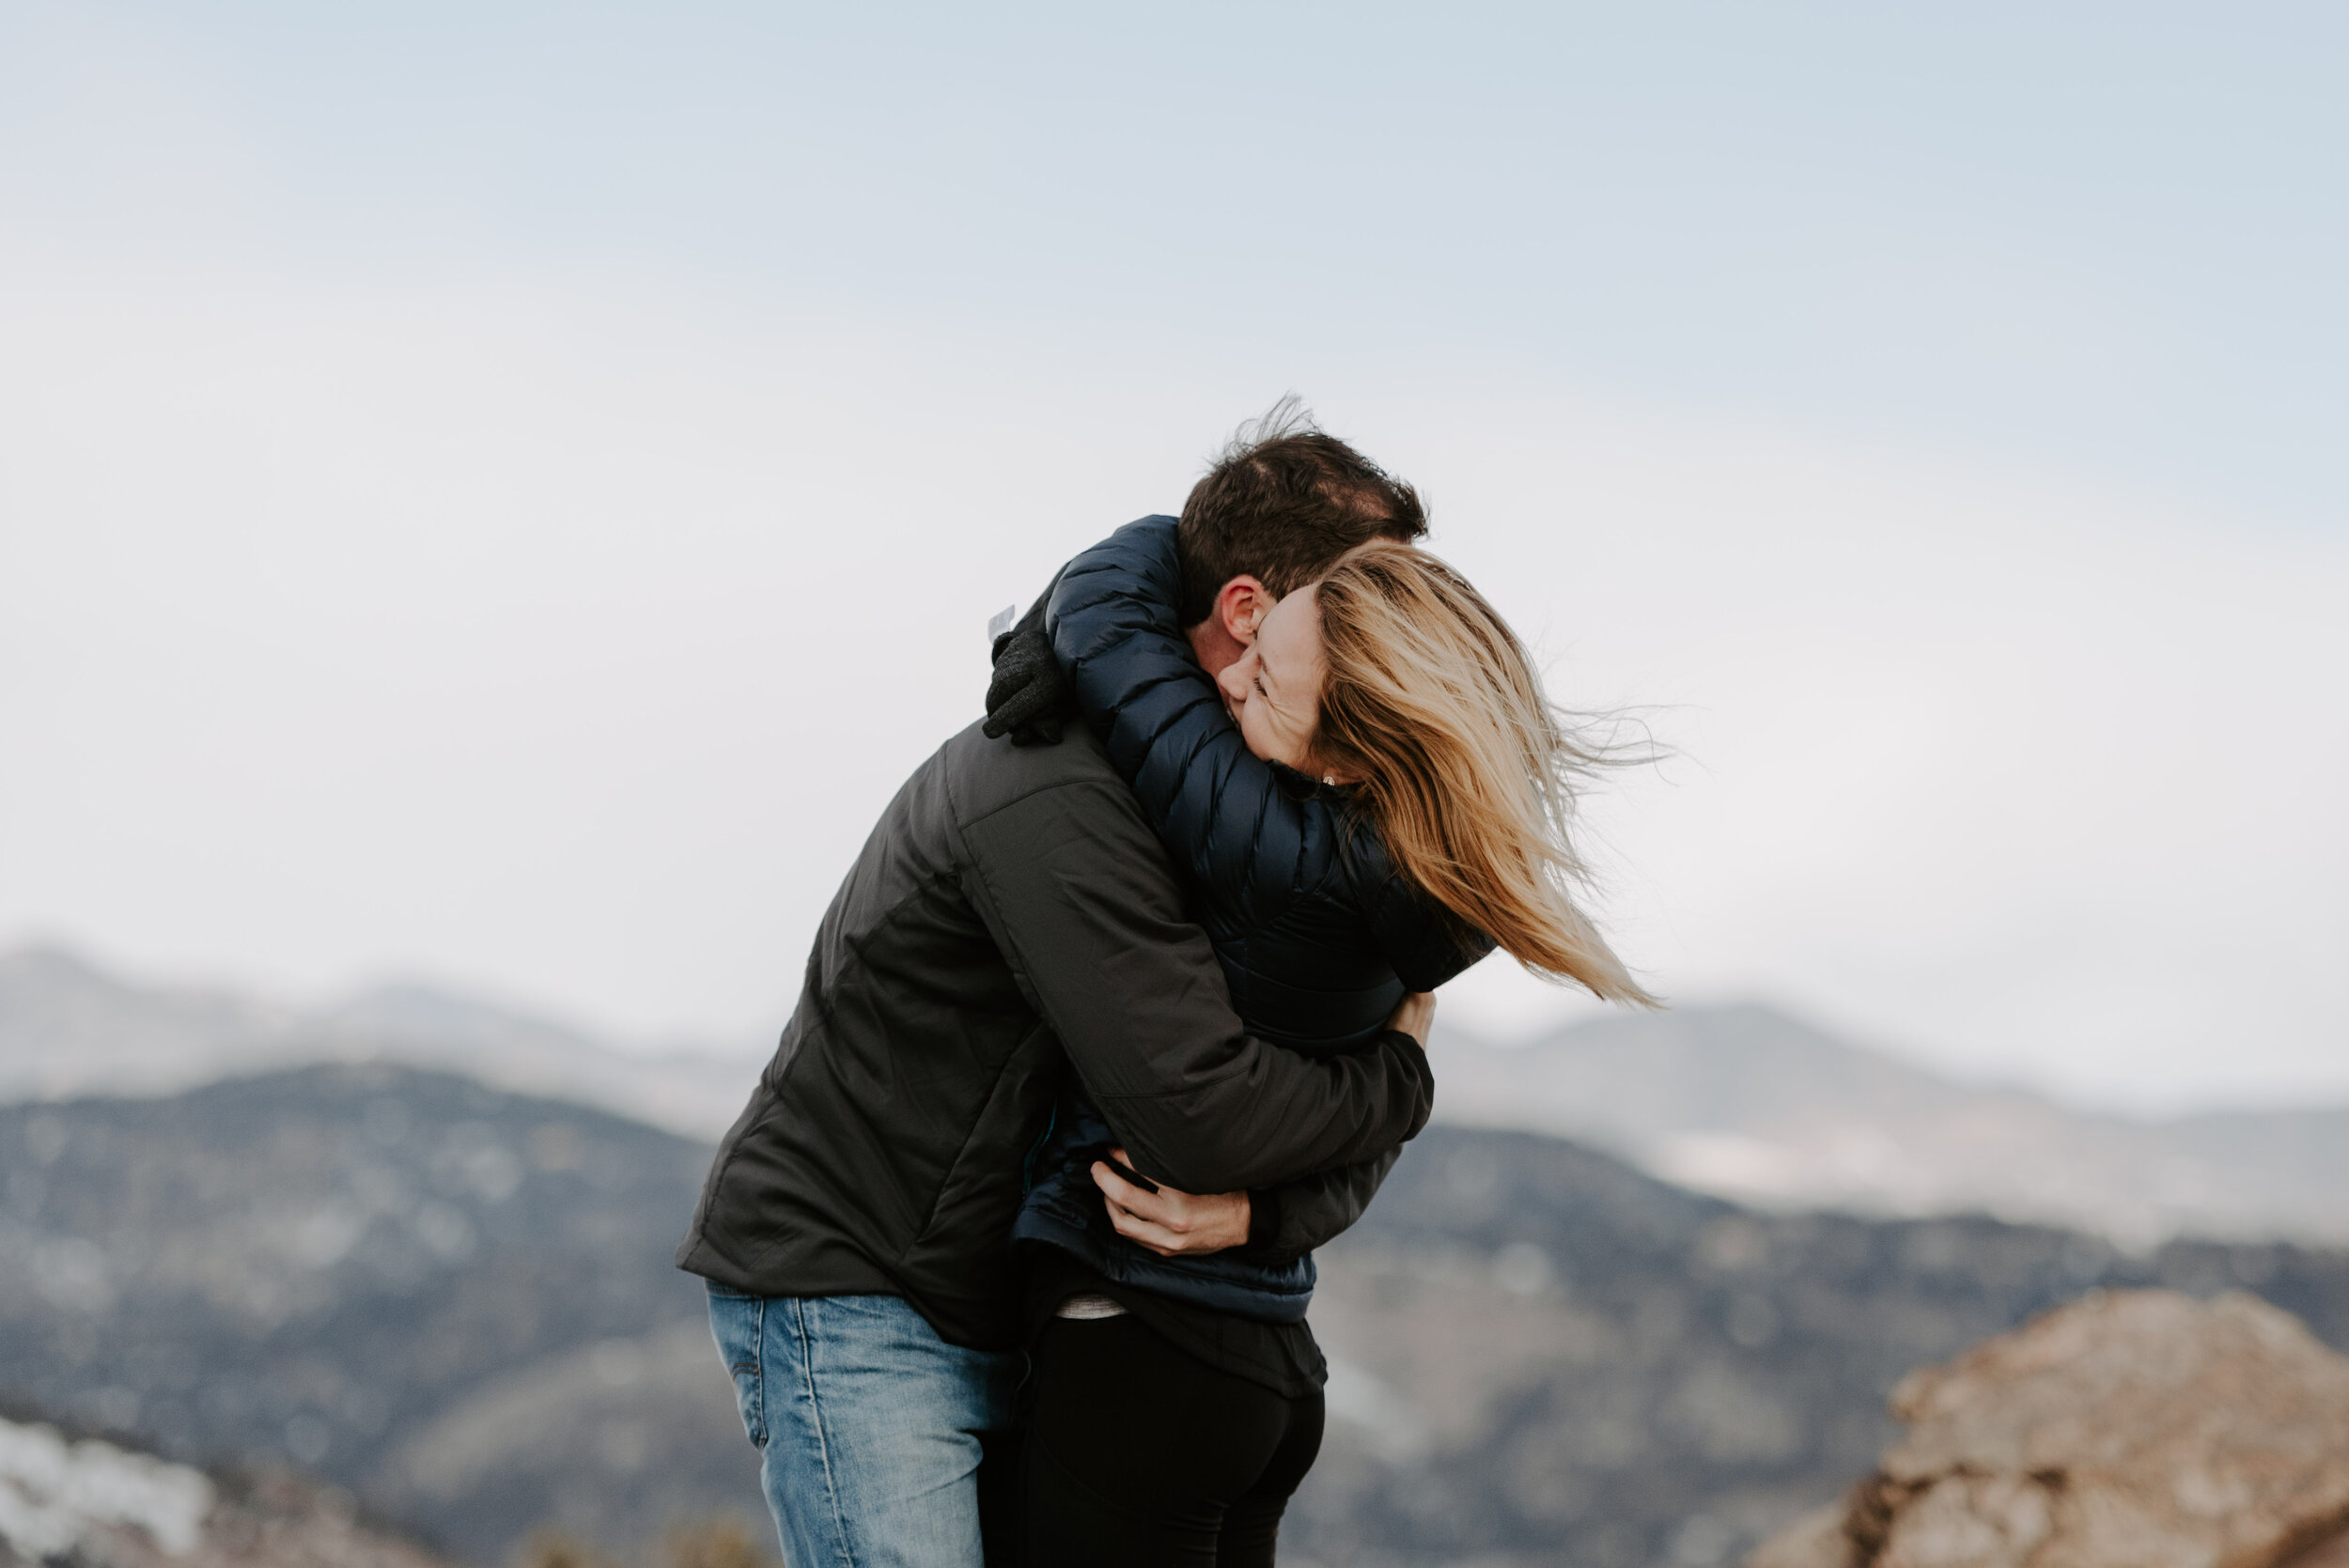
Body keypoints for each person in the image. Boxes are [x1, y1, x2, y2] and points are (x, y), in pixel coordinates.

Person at [674, 411, 1439, 1568]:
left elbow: (1269, 1121)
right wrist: (1398, 1077)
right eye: (1367, 591)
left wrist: (1260, 1215)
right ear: (1248, 612)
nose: (1400, 627)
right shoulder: (1059, 783)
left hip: (1018, 1299)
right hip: (863, 1290)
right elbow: (1209, 1112)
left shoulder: (1241, 808)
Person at [989, 440, 1653, 1564]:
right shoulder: (1431, 876)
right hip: (1262, 1362)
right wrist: (1280, 1202)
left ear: (1353, 751)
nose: (1233, 676)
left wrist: (1165, 544)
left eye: (1270, 678)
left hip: (1140, 1347)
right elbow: (1353, 1099)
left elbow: (1105, 637)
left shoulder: (1278, 850)